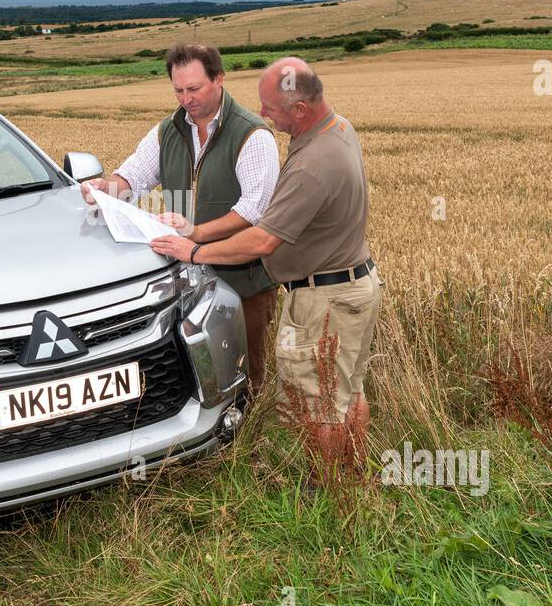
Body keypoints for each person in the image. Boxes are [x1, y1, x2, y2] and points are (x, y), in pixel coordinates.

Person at [149, 57, 379, 457]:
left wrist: (195, 248)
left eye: (269, 108)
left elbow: (260, 241)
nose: (262, 115)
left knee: (320, 404)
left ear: (300, 110)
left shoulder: (312, 165)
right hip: (351, 288)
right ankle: (351, 476)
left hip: (325, 300)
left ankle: (328, 488)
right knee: (346, 393)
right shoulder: (339, 128)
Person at [80, 43, 281, 393]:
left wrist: (196, 233)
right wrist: (104, 188)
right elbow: (133, 177)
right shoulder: (167, 131)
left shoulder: (252, 133)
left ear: (219, 79)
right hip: (185, 282)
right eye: (178, 90)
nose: (186, 99)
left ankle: (249, 442)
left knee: (247, 375)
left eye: (194, 88)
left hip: (243, 282)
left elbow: (255, 211)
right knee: (193, 376)